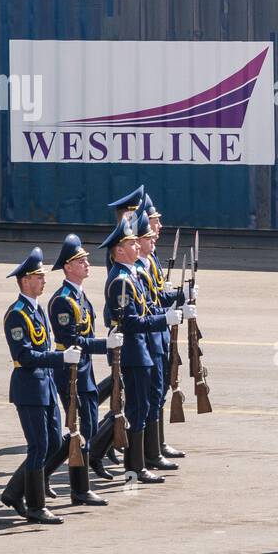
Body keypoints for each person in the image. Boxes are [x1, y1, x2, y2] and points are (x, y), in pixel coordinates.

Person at [0, 248, 72, 524]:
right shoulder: (17, 314)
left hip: (46, 386)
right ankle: (35, 506)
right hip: (29, 387)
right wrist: (60, 358)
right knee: (38, 446)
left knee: (53, 443)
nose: (43, 281)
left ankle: (14, 492)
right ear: (26, 280)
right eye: (39, 277)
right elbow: (24, 356)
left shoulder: (36, 309)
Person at [102, 217, 178, 485]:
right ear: (119, 250)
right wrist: (164, 320)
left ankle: (140, 462)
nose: (137, 246)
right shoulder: (121, 280)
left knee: (143, 404)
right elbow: (131, 323)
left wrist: (171, 307)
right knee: (136, 408)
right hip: (134, 352)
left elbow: (147, 308)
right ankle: (134, 469)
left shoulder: (131, 274)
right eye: (131, 242)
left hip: (142, 349)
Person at [44, 234, 119, 505]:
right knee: (81, 428)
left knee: (86, 427)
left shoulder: (79, 295)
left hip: (83, 368)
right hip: (70, 370)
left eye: (86, 259)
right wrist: (104, 345)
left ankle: (50, 476)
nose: (87, 263)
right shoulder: (63, 300)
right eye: (81, 260)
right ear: (68, 267)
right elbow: (73, 339)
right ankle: (75, 487)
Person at [132, 206, 184, 474]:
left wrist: (181, 295)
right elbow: (147, 307)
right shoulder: (135, 270)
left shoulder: (149, 262)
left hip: (156, 335)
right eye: (152, 228)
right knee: (144, 399)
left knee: (157, 393)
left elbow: (158, 297)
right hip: (146, 340)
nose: (158, 231)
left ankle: (156, 447)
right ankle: (146, 454)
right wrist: (167, 316)